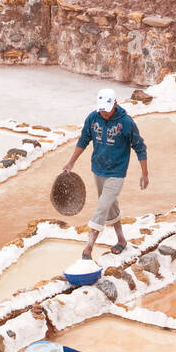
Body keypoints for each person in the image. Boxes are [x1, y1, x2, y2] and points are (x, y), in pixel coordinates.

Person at [61, 86, 149, 259]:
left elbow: (140, 148)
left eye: (107, 111)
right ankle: (121, 240)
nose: (104, 114)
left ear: (115, 103)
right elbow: (84, 140)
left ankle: (88, 248)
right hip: (98, 170)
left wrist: (144, 174)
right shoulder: (93, 118)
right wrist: (70, 163)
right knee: (110, 207)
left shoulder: (126, 123)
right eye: (101, 110)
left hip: (117, 172)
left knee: (102, 207)